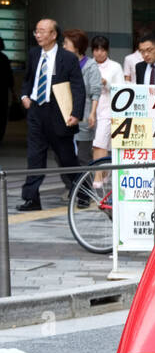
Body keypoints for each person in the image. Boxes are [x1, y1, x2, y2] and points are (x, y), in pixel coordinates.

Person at [19, 18, 84, 211]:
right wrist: (24, 95)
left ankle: (82, 192)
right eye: (36, 31)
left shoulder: (68, 58)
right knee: (34, 157)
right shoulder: (33, 54)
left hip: (59, 113)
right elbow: (28, 79)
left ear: (53, 35)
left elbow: (78, 87)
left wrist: (76, 113)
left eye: (42, 31)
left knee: (67, 158)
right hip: (36, 111)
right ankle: (31, 199)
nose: (38, 35)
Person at [63, 29, 100, 166]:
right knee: (64, 156)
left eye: (67, 43)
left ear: (77, 46)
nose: (64, 46)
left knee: (83, 157)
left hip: (84, 118)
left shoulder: (90, 66)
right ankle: (74, 186)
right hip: (65, 117)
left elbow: (96, 92)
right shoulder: (63, 64)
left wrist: (92, 113)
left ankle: (86, 187)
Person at [90, 35, 125, 161]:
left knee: (100, 143)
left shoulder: (115, 66)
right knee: (96, 145)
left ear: (107, 50)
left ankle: (98, 179)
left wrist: (106, 83)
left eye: (103, 50)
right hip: (89, 109)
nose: (99, 53)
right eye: (96, 50)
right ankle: (103, 176)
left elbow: (121, 90)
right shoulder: (88, 65)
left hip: (107, 110)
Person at [0, 36, 14, 148]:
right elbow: (9, 77)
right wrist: (13, 91)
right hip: (2, 92)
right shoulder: (4, 58)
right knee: (2, 115)